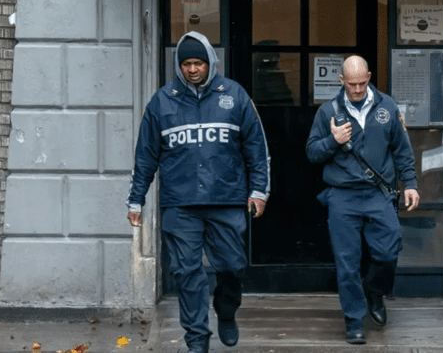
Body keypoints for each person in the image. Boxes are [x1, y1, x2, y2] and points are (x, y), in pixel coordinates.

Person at [127, 31, 271, 353]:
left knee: (233, 266)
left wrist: (259, 191)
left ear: (210, 62)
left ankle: (226, 310)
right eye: (187, 64)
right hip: (180, 204)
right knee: (187, 273)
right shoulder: (162, 102)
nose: (193, 69)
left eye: (199, 63)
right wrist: (136, 199)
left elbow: (256, 149)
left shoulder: (234, 95)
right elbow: (145, 156)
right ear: (179, 66)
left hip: (226, 199)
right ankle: (196, 340)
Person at [306, 55, 419, 345]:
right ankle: (354, 320)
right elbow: (312, 153)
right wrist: (333, 141)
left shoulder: (387, 107)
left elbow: (402, 149)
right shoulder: (328, 111)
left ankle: (374, 290)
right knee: (347, 262)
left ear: (368, 77)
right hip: (342, 195)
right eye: (351, 84)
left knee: (389, 250)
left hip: (378, 193)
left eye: (361, 83)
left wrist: (410, 184)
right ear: (341, 80)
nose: (357, 89)